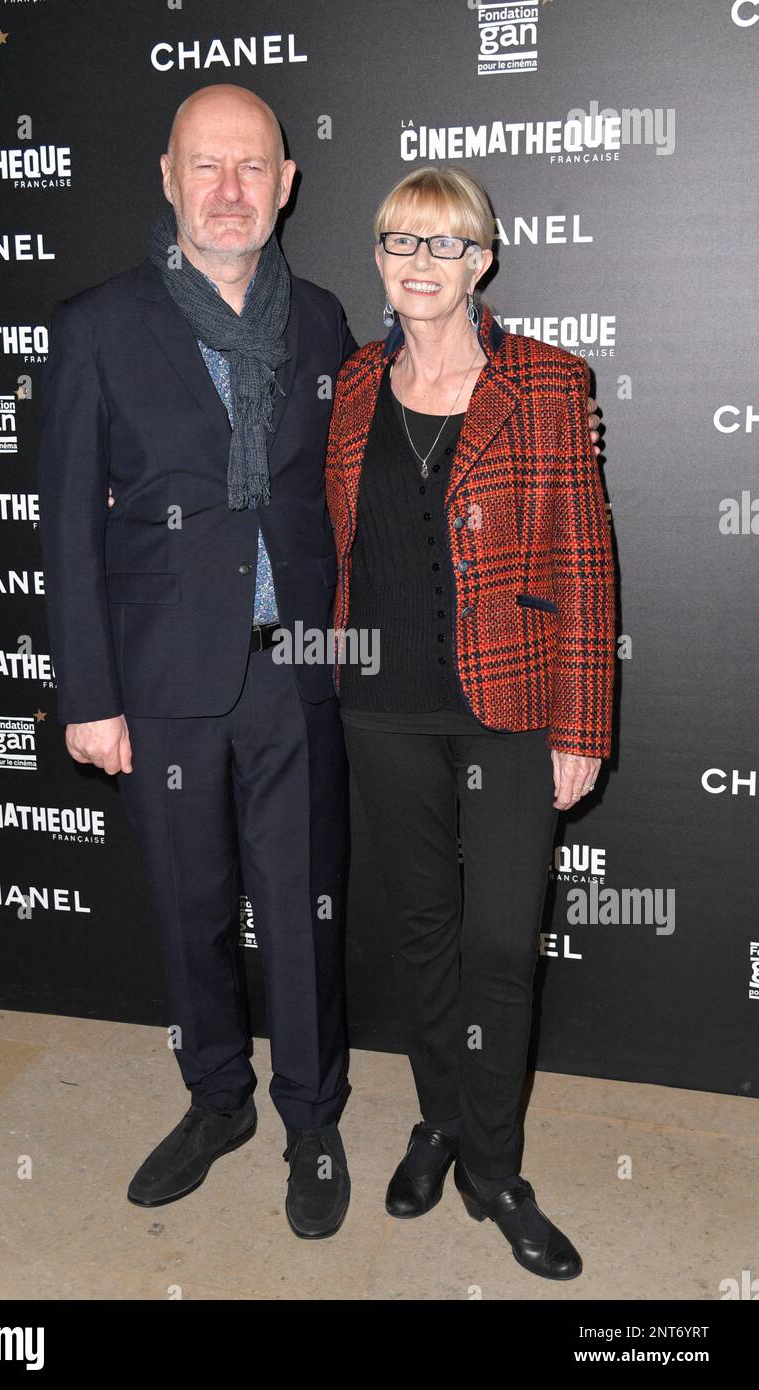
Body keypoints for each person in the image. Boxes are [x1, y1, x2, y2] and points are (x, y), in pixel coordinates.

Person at [37, 84, 358, 1239]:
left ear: (286, 183)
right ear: (167, 178)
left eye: (252, 167)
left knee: (303, 909)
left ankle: (311, 1117)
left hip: (297, 670)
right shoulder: (99, 325)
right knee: (191, 911)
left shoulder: (322, 322)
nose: (229, 190)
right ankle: (216, 1099)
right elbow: (68, 524)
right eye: (205, 167)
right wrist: (90, 695)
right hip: (163, 678)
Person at [324, 166, 615, 1279]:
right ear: (380, 256)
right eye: (400, 240)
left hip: (509, 707)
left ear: (481, 259)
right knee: (421, 935)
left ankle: (495, 1165)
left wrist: (579, 722)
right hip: (381, 708)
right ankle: (436, 1121)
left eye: (443, 245)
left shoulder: (547, 383)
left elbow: (586, 566)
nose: (419, 263)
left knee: (498, 942)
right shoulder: (351, 382)